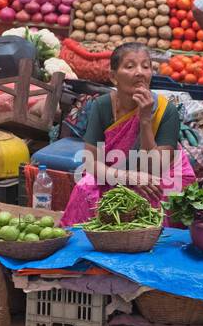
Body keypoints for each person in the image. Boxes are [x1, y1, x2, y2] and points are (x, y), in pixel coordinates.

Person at [61, 43, 195, 226]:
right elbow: (91, 163)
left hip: (160, 174)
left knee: (154, 193)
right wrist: (127, 177)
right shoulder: (102, 106)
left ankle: (149, 240)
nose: (140, 72)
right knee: (86, 186)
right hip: (118, 172)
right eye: (130, 66)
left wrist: (145, 120)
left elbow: (155, 167)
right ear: (113, 77)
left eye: (146, 66)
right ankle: (84, 238)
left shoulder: (166, 110)